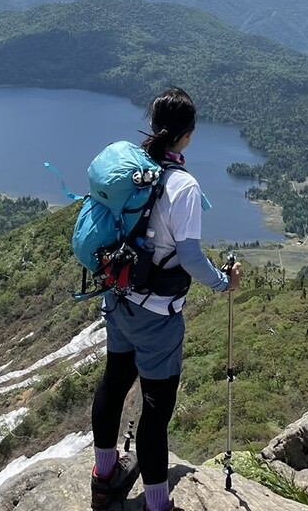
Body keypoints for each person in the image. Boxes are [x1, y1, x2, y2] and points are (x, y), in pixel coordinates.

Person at [89, 86, 241, 511]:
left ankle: (105, 476)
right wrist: (222, 283)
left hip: (118, 298)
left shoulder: (133, 170)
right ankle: (158, 505)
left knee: (115, 380)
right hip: (157, 314)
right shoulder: (183, 185)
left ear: (155, 126)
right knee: (156, 409)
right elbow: (189, 255)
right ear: (187, 135)